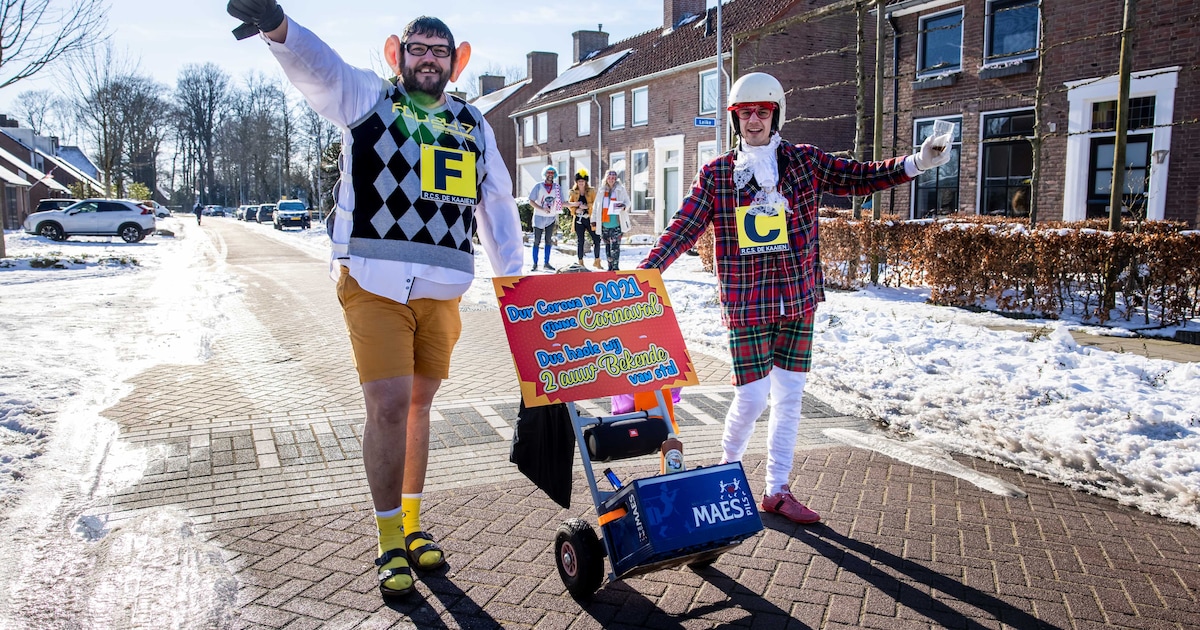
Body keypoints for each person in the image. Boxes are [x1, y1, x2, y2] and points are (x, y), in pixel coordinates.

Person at [226, 0, 524, 598]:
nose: (429, 61)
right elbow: (321, 69)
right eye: (418, 50)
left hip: (442, 292)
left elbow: (497, 205)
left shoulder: (474, 124)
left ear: (456, 62)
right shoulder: (368, 99)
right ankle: (388, 538)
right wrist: (278, 28)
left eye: (441, 52)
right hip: (374, 283)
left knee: (417, 407)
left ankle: (412, 525)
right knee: (388, 404)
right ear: (398, 55)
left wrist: (515, 286)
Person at [638, 72, 950, 524]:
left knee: (789, 398)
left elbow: (858, 178)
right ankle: (726, 474)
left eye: (762, 112)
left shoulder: (805, 161)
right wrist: (647, 270)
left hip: (797, 298)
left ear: (775, 114)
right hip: (747, 302)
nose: (753, 121)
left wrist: (915, 163)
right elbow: (684, 225)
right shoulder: (718, 174)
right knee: (752, 398)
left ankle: (777, 490)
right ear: (734, 119)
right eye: (744, 113)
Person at [592, 169, 631, 270]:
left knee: (616, 247)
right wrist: (594, 220)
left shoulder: (620, 189)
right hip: (605, 224)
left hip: (617, 223)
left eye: (613, 178)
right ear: (606, 178)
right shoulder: (601, 191)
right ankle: (610, 267)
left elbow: (628, 202)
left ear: (616, 179)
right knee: (608, 247)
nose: (611, 180)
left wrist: (624, 206)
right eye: (609, 178)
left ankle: (616, 267)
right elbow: (596, 206)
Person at [528, 165, 561, 271]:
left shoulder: (557, 187)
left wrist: (575, 204)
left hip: (550, 217)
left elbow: (561, 202)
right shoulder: (538, 186)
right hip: (539, 217)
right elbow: (531, 201)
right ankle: (535, 263)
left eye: (552, 173)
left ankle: (546, 262)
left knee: (548, 240)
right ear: (545, 174)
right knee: (536, 241)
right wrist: (541, 209)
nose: (550, 175)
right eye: (548, 173)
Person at [568, 169, 600, 268]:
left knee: (596, 239)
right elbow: (570, 204)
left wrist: (587, 206)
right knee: (580, 241)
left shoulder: (591, 191)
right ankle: (580, 261)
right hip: (579, 219)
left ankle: (597, 261)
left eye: (583, 181)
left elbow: (596, 203)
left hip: (590, 218)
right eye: (579, 181)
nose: (581, 183)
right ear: (576, 182)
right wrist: (575, 210)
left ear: (586, 182)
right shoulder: (573, 192)